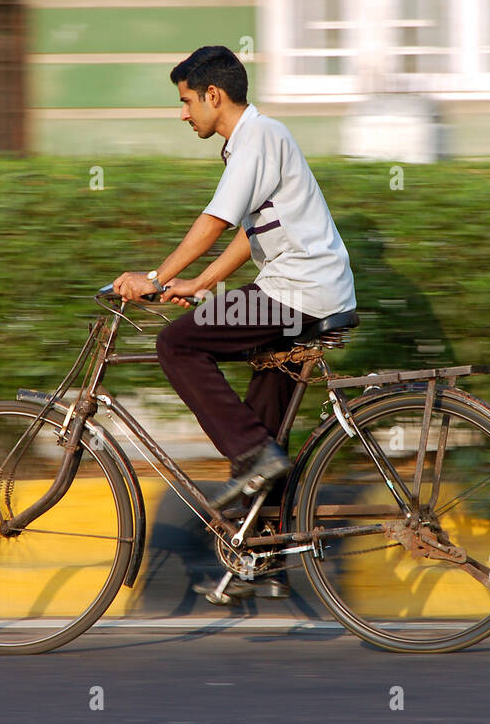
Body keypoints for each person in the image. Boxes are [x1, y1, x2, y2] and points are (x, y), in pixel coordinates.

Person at [111, 46, 357, 596]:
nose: (183, 114)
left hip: (296, 295)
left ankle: (253, 456)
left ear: (213, 96)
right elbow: (249, 232)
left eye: (185, 101)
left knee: (178, 345)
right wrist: (198, 284)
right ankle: (258, 553)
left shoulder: (259, 137)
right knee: (261, 419)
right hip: (300, 293)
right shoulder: (250, 144)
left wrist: (155, 275)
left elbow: (215, 221)